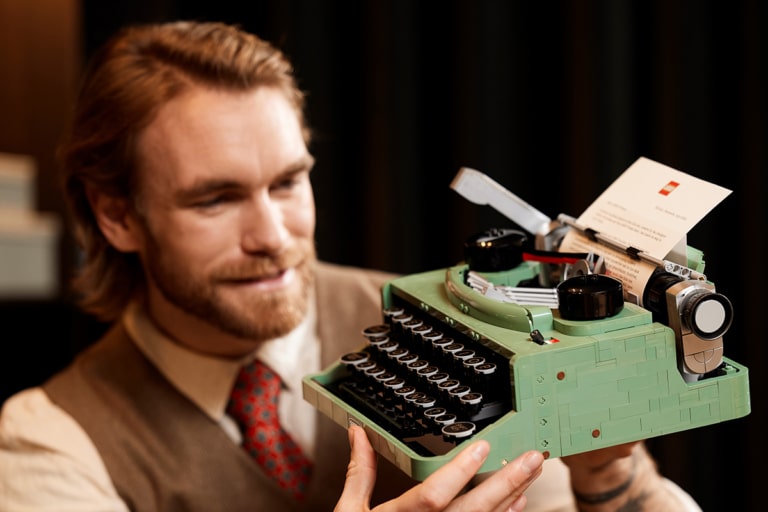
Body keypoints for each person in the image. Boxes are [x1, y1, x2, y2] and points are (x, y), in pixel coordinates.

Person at [0, 20, 701, 512]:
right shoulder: (50, 438)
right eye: (215, 200)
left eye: (286, 183)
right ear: (116, 216)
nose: (272, 235)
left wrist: (607, 469)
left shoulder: (441, 314)